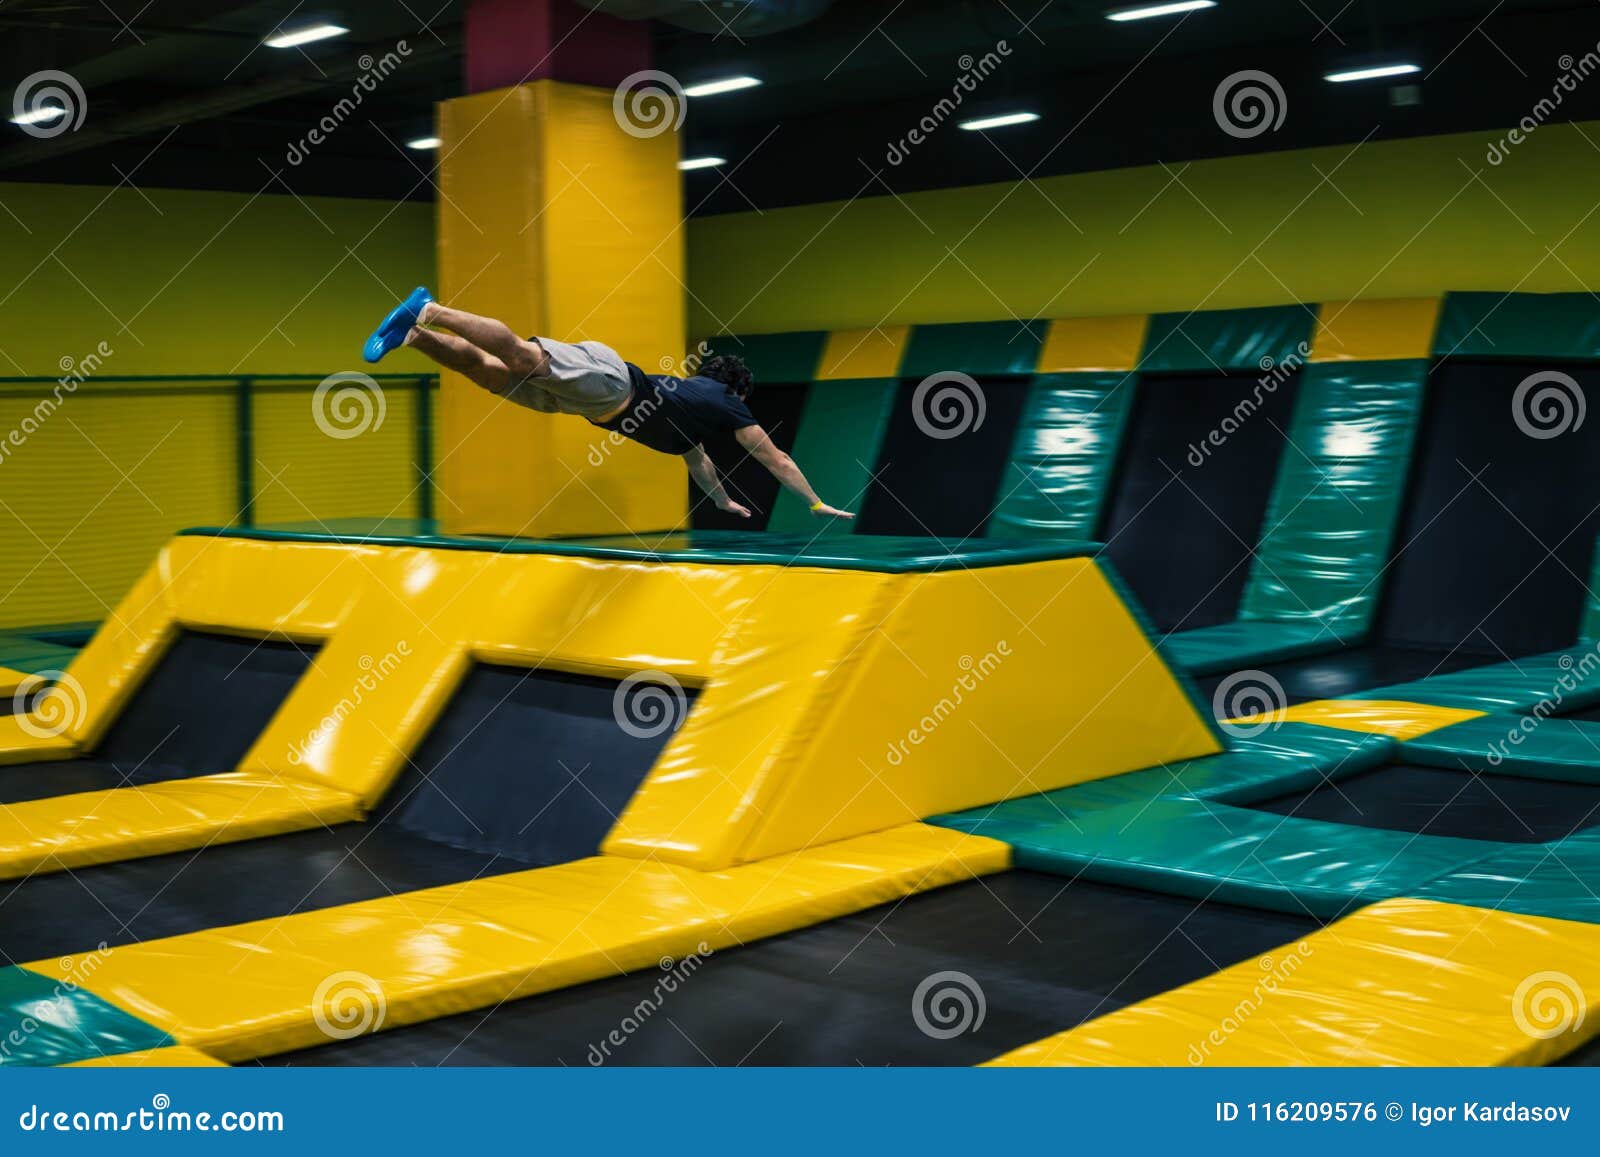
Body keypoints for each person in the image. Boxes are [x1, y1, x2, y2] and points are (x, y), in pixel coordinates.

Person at [363, 288, 855, 521]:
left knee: (488, 375)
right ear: (736, 392)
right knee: (519, 357)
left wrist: (722, 500)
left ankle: (412, 335)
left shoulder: (689, 419)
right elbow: (775, 457)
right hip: (609, 384)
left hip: (590, 401)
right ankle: (431, 309)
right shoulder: (725, 402)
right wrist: (813, 501)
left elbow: (699, 463)